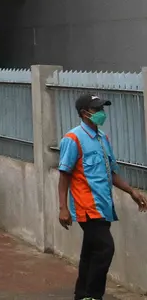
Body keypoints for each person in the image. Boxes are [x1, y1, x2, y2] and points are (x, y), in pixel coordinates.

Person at [58, 93, 147, 300]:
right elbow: (64, 176)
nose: (101, 113)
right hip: (86, 205)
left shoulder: (102, 138)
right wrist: (63, 207)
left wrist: (131, 191)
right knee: (105, 248)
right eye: (97, 109)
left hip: (104, 205)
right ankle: (93, 295)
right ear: (84, 113)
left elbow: (111, 172)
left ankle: (82, 295)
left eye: (102, 109)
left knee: (90, 252)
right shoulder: (72, 139)